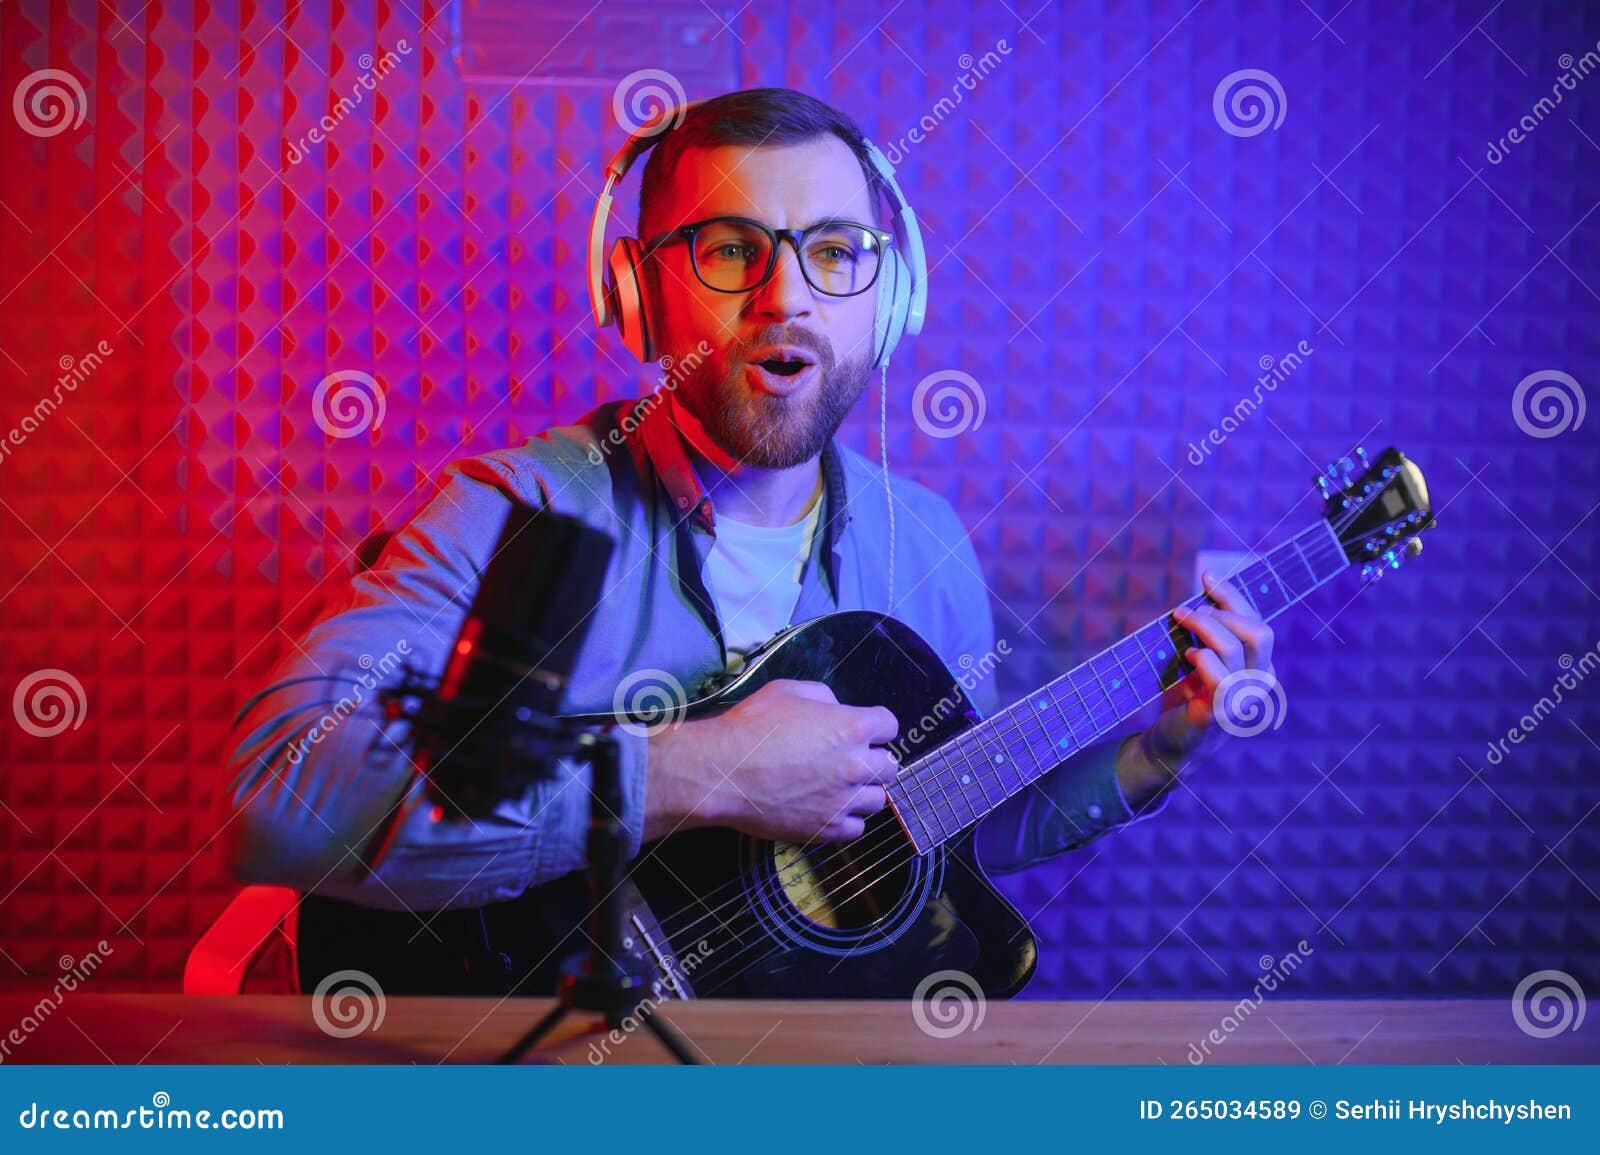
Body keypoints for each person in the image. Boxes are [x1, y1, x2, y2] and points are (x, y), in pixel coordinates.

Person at [217, 87, 1275, 995]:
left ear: (890, 296)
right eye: (730, 251)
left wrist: (1151, 753)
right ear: (635, 292)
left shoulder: (927, 548)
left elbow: (930, 834)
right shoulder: (518, 511)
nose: (787, 298)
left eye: (834, 251)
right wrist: (693, 772)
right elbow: (282, 797)